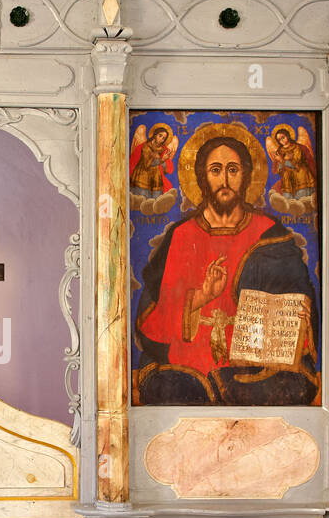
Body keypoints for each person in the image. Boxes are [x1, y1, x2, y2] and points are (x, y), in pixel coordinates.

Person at [134, 133, 319, 405]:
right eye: (215, 170)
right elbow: (151, 320)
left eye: (233, 170)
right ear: (201, 177)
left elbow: (298, 308)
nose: (224, 180)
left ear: (245, 176)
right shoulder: (180, 236)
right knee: (174, 388)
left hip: (254, 370)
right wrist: (200, 297)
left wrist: (301, 320)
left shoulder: (270, 235)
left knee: (285, 387)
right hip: (187, 366)